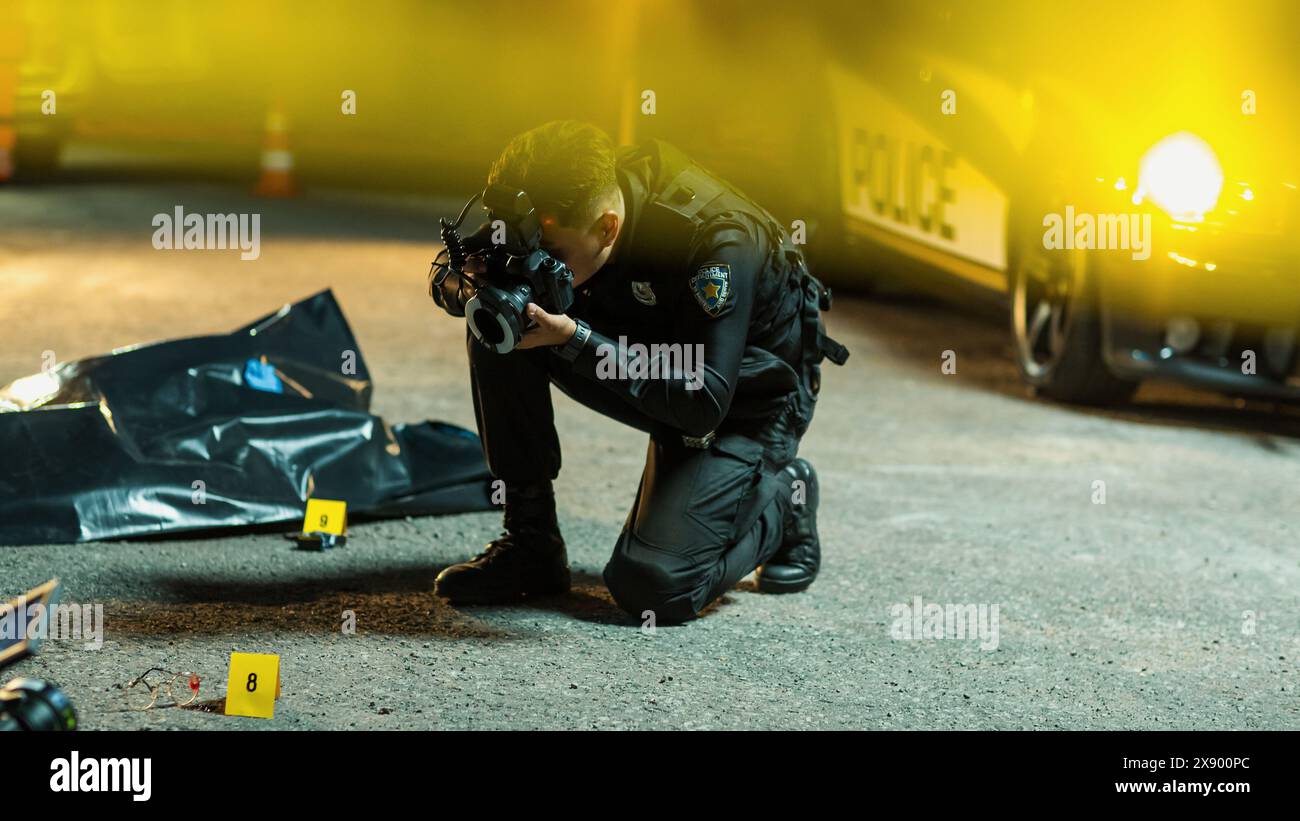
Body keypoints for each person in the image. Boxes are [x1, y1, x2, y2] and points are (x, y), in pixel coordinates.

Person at [429, 120, 847, 623]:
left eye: (552, 256)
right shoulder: (561, 201)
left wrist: (574, 339)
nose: (536, 263)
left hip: (740, 398)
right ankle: (531, 545)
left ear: (608, 227)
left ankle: (782, 503)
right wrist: (479, 276)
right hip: (647, 354)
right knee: (499, 325)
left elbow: (701, 404)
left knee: (653, 588)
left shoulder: (714, 242)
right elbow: (500, 275)